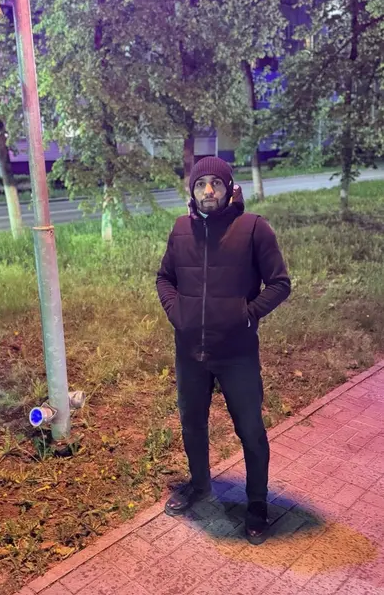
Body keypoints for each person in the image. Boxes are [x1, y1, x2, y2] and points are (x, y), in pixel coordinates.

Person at [156, 156, 291, 545]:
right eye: (201, 185)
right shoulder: (181, 229)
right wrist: (177, 312)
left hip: (237, 353)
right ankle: (200, 486)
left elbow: (280, 283)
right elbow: (164, 278)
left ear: (229, 188)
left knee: (250, 429)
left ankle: (257, 502)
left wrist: (246, 314)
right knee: (192, 424)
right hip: (190, 352)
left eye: (216, 183)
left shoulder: (253, 228)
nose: (208, 190)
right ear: (192, 191)